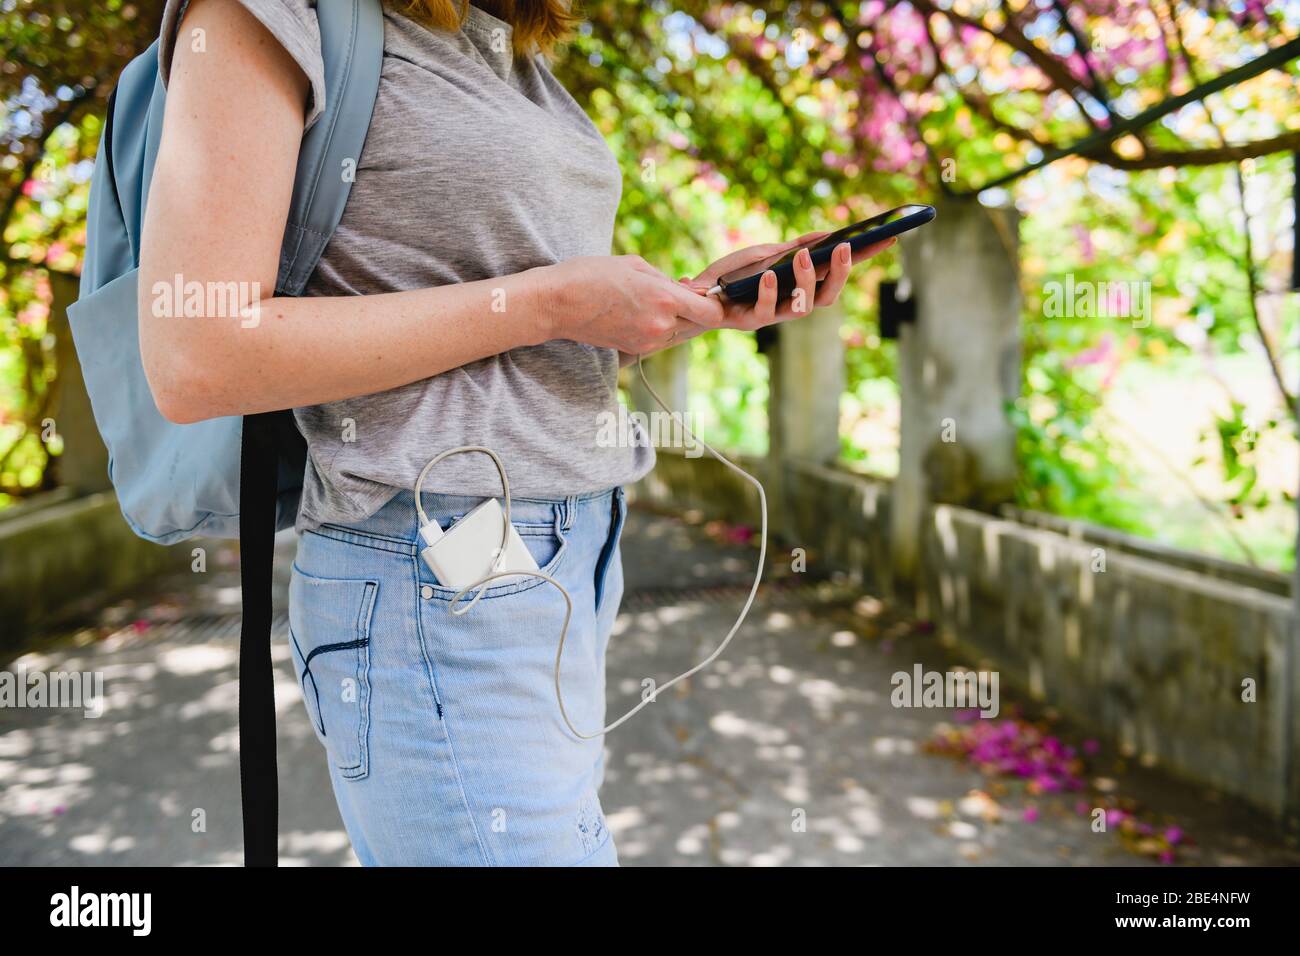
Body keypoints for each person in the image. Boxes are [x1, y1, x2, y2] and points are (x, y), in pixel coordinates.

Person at [139, 0, 892, 865]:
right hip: (436, 574)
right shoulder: (271, 12)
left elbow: (506, 312)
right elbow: (195, 355)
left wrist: (680, 306)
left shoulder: (501, 43)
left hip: (568, 560)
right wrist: (554, 303)